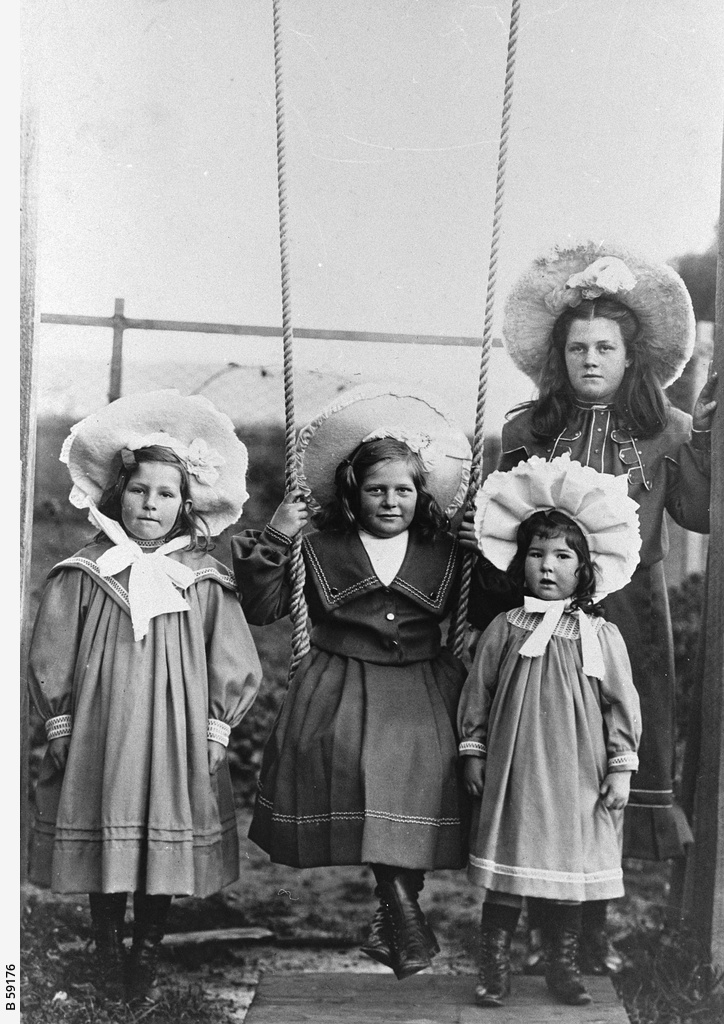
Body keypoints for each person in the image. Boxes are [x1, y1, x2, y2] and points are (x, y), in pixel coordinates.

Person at [459, 241, 717, 974]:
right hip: (536, 614)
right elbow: (499, 530)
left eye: (606, 347)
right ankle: (540, 933)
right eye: (577, 347)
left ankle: (590, 932)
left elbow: (699, 513)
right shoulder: (526, 432)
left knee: (611, 761)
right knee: (546, 766)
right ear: (557, 355)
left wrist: (710, 435)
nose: (591, 360)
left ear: (632, 356)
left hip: (632, 619)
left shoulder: (666, 430)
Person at [232, 386, 474, 981]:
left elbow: (490, 609)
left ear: (423, 494)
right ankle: (402, 910)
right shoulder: (320, 547)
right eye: (376, 489)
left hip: (423, 684)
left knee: (426, 772)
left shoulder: (444, 549)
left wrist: (487, 553)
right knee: (359, 765)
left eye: (404, 490)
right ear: (351, 492)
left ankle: (394, 911)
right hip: (340, 681)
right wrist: (278, 536)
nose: (390, 502)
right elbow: (262, 609)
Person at [28, 390, 263, 1002]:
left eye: (165, 494)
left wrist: (217, 724)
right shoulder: (86, 570)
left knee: (163, 830)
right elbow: (50, 649)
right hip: (102, 729)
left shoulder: (202, 578)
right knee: (106, 829)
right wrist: (59, 718)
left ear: (186, 504)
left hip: (175, 729)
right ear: (116, 494)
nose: (150, 504)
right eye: (138, 490)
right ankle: (106, 949)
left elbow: (231, 656)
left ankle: (146, 953)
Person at [458, 454, 642, 1007]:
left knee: (568, 863)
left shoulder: (600, 635)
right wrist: (474, 751)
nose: (547, 565)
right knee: (510, 867)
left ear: (584, 570)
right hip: (517, 769)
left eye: (562, 555)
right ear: (519, 564)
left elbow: (620, 705)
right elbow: (479, 692)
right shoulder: (504, 627)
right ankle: (494, 964)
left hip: (576, 773)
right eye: (536, 553)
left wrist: (621, 767)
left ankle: (563, 964)